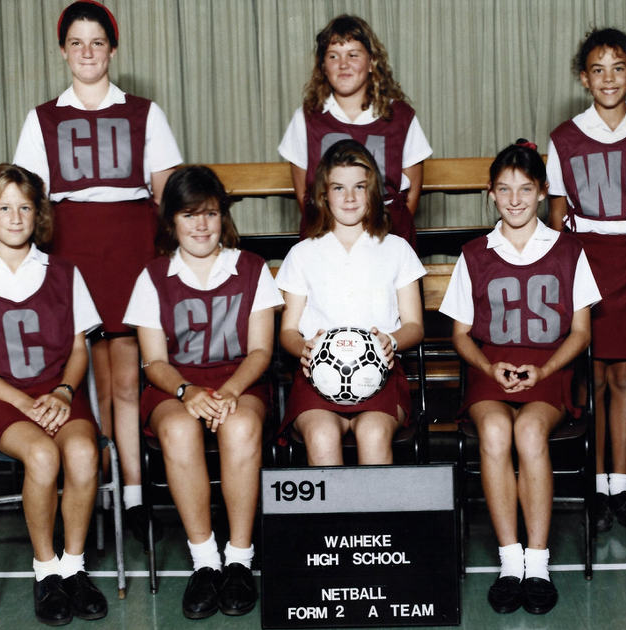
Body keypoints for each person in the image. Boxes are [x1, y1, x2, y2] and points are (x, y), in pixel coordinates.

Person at [13, 0, 182, 548]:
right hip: (70, 244)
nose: (88, 52)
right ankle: (99, 486)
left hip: (130, 242)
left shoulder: (145, 112)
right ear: (63, 51)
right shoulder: (42, 117)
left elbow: (167, 194)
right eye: (77, 42)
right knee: (87, 374)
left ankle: (135, 493)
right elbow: (29, 198)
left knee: (128, 376)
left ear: (113, 49)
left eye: (98, 42)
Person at [0, 164, 107, 625]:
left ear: (38, 214)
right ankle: (46, 570)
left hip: (60, 397)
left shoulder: (64, 273)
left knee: (85, 454)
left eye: (25, 207)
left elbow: (78, 350)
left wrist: (65, 393)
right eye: (5, 207)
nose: (15, 217)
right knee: (44, 458)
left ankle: (74, 568)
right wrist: (24, 402)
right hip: (2, 404)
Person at [439, 140, 599, 615]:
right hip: (492, 370)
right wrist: (490, 368)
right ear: (490, 192)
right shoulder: (474, 254)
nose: (514, 200)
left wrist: (544, 369)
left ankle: (538, 560)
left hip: (549, 369)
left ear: (542, 191)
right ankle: (510, 561)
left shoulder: (569, 249)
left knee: (529, 431)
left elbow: (582, 331)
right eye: (504, 189)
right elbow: (462, 335)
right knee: (494, 430)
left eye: (525, 189)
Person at [122, 166, 283, 619]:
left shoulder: (251, 268)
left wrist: (228, 392)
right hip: (176, 385)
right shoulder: (153, 276)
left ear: (222, 217)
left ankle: (238, 560)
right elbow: (153, 361)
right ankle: (205, 561)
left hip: (240, 380)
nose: (201, 225)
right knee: (176, 431)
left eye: (210, 213)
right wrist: (187, 390)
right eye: (189, 215)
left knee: (242, 426)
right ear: (171, 220)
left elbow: (260, 350)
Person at [545, 27, 626, 532]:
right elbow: (557, 212)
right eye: (597, 69)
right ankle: (594, 485)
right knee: (592, 375)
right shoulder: (564, 136)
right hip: (585, 259)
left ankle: (620, 485)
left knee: (625, 375)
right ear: (584, 78)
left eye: (618, 68)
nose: (609, 78)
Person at [276, 139, 425, 466]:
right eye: (339, 188)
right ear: (323, 194)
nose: (350, 197)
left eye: (360, 186)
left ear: (373, 192)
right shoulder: (303, 254)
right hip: (317, 376)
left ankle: (376, 519)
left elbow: (414, 326)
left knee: (373, 434)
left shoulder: (397, 249)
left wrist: (392, 341)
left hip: (380, 372)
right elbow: (288, 330)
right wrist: (304, 347)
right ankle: (333, 520)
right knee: (321, 435)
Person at [278, 14, 432, 251]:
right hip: (327, 238)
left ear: (371, 63)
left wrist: (381, 240)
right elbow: (305, 196)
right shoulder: (307, 118)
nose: (343, 64)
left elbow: (409, 198)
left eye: (353, 54)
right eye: (333, 56)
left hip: (387, 239)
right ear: (323, 66)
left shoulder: (400, 116)